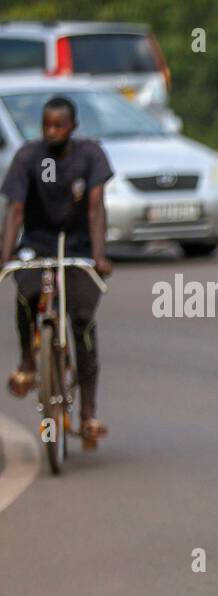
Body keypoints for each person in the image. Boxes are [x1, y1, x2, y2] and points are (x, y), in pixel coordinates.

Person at [1, 96, 113, 440]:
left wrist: (99, 255)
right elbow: (15, 211)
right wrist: (5, 258)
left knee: (81, 320)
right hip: (38, 244)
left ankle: (89, 415)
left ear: (73, 127)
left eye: (59, 126)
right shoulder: (28, 157)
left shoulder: (90, 155)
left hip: (78, 248)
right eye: (46, 125)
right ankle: (28, 362)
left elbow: (95, 208)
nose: (52, 132)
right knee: (28, 293)